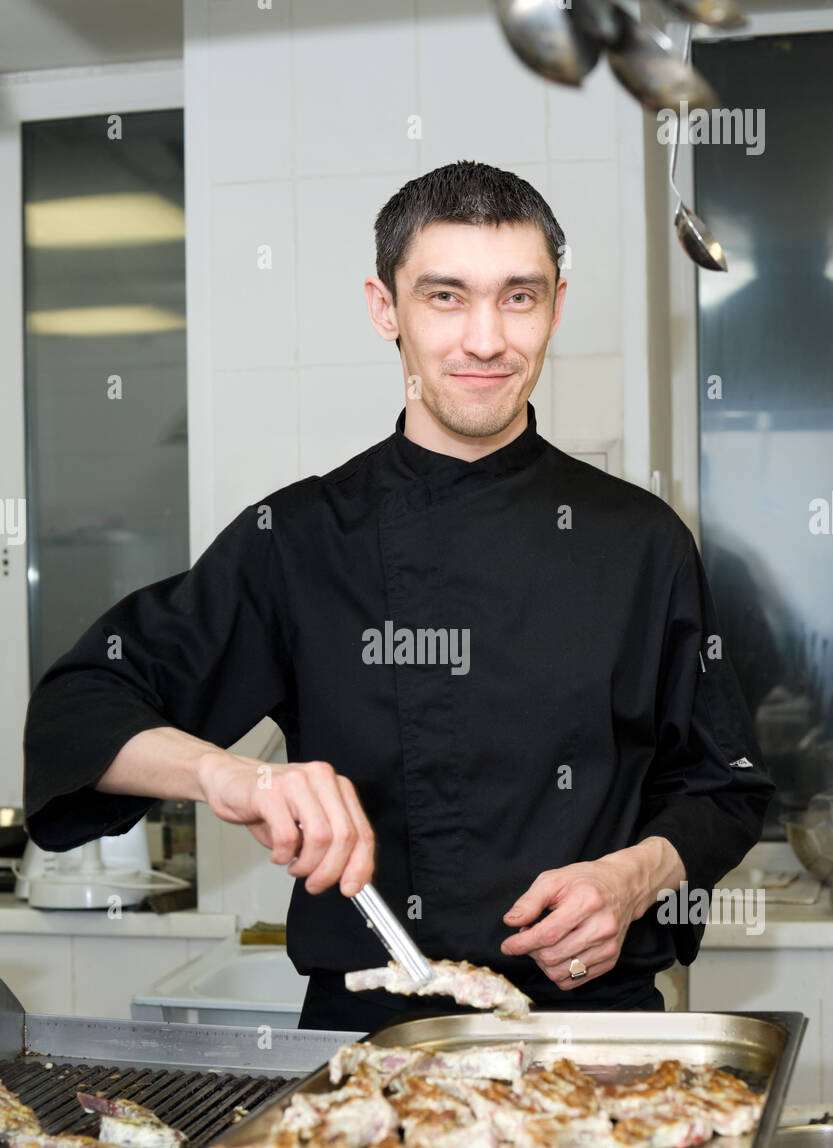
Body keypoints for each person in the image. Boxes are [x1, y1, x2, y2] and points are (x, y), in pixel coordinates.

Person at [22, 161, 775, 1032]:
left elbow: (726, 787)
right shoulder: (299, 538)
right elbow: (76, 709)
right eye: (445, 296)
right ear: (386, 309)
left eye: (518, 297)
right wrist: (232, 776)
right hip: (371, 1033)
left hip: (592, 1024)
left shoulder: (640, 540)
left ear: (555, 308)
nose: (486, 340)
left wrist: (635, 876)